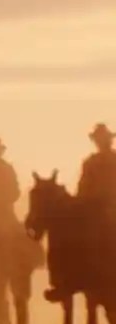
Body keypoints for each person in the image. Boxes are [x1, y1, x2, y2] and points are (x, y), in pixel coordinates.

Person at [60, 122, 116, 302]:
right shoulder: (89, 162)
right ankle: (68, 278)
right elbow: (82, 186)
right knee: (72, 236)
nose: (102, 142)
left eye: (104, 139)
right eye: (99, 140)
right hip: (93, 210)